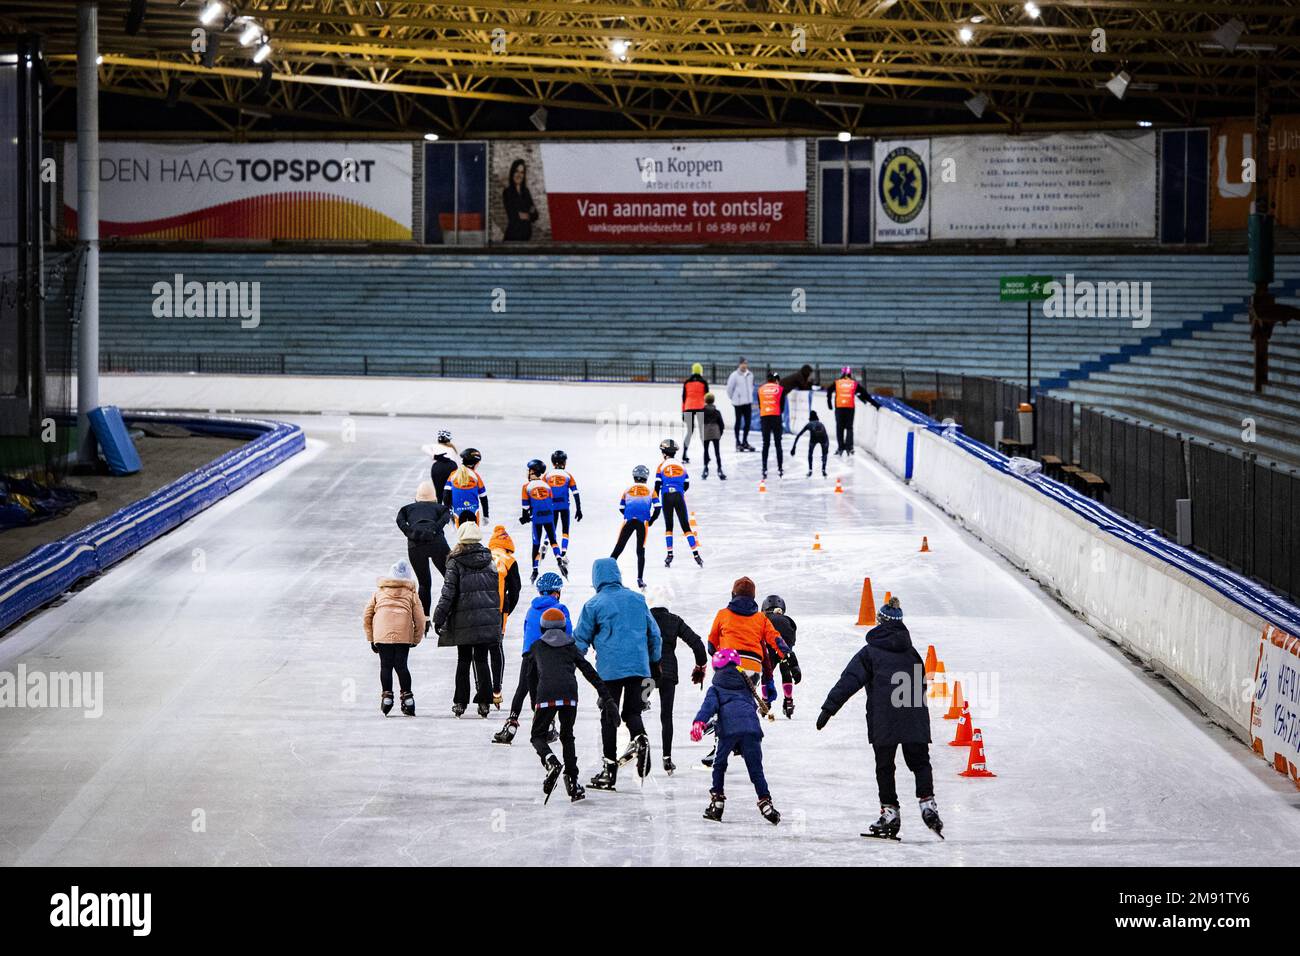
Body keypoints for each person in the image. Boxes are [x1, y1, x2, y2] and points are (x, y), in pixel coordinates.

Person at [816, 597, 944, 840]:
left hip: (884, 719)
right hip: (914, 717)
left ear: (880, 623)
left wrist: (828, 709)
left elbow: (849, 681)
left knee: (885, 767)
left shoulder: (870, 653)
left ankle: (890, 813)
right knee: (919, 762)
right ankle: (928, 804)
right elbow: (922, 685)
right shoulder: (912, 652)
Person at [573, 557, 663, 790]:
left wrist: (569, 663)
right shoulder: (637, 599)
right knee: (633, 712)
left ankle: (609, 770)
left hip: (610, 671)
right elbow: (655, 634)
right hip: (640, 668)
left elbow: (580, 640)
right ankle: (640, 739)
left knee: (609, 716)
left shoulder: (593, 605)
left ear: (596, 578)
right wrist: (654, 662)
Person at [530, 607, 621, 804]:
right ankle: (572, 782)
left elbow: (528, 680)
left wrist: (533, 704)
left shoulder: (536, 647)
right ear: (563, 628)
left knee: (537, 736)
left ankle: (551, 762)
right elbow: (590, 672)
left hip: (546, 695)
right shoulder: (571, 646)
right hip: (569, 696)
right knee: (567, 736)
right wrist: (608, 699)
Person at [690, 648, 781, 825]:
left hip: (729, 730)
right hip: (752, 729)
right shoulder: (746, 685)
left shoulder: (716, 688)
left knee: (719, 765)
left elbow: (708, 707)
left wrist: (699, 722)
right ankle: (765, 802)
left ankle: (717, 803)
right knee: (756, 769)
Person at [433, 518, 502, 718]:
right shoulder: (489, 560)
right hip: (485, 619)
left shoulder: (455, 561)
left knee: (463, 660)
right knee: (481, 660)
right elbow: (493, 593)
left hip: (463, 620)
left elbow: (448, 593)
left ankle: (460, 702)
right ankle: (484, 702)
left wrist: (439, 618)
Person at [492, 570, 568, 745]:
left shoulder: (531, 610)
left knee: (523, 688)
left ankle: (511, 722)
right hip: (550, 656)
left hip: (529, 655)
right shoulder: (560, 609)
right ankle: (546, 725)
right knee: (544, 692)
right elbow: (567, 632)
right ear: (557, 592)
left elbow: (527, 633)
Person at [648, 586, 708, 775]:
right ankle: (667, 759)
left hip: (646, 674)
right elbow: (697, 644)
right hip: (668, 674)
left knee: (636, 712)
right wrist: (700, 666)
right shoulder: (674, 621)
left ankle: (639, 754)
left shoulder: (644, 619)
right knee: (666, 716)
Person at [363, 560, 426, 717]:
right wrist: (415, 638)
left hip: (382, 633)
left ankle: (387, 697)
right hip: (403, 634)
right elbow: (420, 619)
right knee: (401, 666)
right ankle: (408, 698)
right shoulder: (411, 594)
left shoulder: (379, 593)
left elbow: (367, 615)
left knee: (386, 666)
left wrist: (372, 638)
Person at [395, 480, 452, 620]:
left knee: (424, 583)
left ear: (416, 499)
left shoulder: (406, 509)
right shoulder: (440, 508)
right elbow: (446, 517)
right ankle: (451, 614)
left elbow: (399, 520)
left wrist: (410, 532)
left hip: (415, 546)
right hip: (437, 543)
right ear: (435, 498)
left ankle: (425, 618)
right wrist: (434, 530)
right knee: (451, 579)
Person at [488, 524, 522, 708]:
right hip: (500, 611)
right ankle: (496, 690)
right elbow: (515, 590)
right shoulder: (509, 560)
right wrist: (508, 608)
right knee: (496, 648)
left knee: (478, 653)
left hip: (481, 608)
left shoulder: (484, 555)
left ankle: (482, 692)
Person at [655, 438, 703, 568]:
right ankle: (696, 555)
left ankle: (669, 554)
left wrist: (655, 503)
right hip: (678, 496)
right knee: (686, 527)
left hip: (666, 496)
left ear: (664, 453)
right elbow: (687, 484)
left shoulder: (661, 466)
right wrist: (679, 492)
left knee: (669, 527)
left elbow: (656, 486)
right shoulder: (681, 465)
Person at [612, 464, 659, 589]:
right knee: (640, 550)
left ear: (634, 477)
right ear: (646, 477)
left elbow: (621, 508)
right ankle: (640, 579)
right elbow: (658, 508)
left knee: (619, 547)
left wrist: (629, 515)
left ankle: (606, 574)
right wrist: (651, 520)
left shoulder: (627, 489)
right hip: (643, 522)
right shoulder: (651, 489)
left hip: (628, 520)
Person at [520, 458, 567, 582]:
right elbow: (549, 502)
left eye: (528, 470)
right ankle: (559, 559)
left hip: (537, 520)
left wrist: (525, 518)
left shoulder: (526, 486)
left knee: (536, 544)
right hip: (549, 517)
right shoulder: (547, 486)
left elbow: (525, 508)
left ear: (532, 471)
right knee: (553, 540)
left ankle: (535, 570)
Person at [761, 594, 801, 718]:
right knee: (785, 671)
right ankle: (788, 702)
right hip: (786, 646)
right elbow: (792, 637)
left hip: (770, 646)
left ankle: (765, 702)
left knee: (766, 673)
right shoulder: (788, 619)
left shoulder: (764, 619)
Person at [826, 366, 879, 455]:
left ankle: (840, 448)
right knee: (849, 427)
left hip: (839, 407)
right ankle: (849, 448)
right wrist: (876, 404)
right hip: (850, 407)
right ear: (850, 374)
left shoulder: (837, 383)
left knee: (840, 428)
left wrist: (829, 403)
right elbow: (865, 394)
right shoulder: (854, 383)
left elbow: (829, 390)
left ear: (841, 374)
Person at [544, 450, 583, 557]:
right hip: (564, 506)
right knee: (565, 529)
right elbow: (575, 493)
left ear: (553, 463)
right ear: (564, 462)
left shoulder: (547, 476)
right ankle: (564, 552)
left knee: (552, 527)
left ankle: (546, 542)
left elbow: (541, 492)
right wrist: (579, 509)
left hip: (552, 506)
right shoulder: (568, 475)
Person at [443, 448, 488, 524]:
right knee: (474, 534)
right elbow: (483, 497)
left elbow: (446, 495)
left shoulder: (453, 475)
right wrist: (486, 515)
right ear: (475, 463)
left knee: (461, 534)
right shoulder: (476, 476)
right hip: (473, 511)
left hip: (457, 511)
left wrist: (449, 512)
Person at [757, 372, 786, 480]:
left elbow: (760, 405)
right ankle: (780, 468)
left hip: (765, 417)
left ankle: (764, 468)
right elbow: (782, 406)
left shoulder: (760, 389)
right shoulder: (780, 389)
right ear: (775, 379)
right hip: (776, 417)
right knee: (778, 444)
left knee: (766, 444)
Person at [501, 158, 539, 242]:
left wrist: (525, 215)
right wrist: (529, 213)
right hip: (512, 238)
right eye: (516, 171)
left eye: (522, 172)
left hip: (526, 239)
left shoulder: (526, 192)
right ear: (512, 173)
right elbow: (514, 216)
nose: (519, 175)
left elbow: (535, 214)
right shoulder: (508, 192)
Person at [680, 362, 709, 463]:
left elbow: (683, 398)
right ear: (701, 371)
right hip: (700, 407)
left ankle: (684, 454)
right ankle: (706, 454)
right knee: (702, 432)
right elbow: (707, 398)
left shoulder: (687, 382)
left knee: (689, 432)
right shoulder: (704, 382)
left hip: (688, 407)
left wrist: (683, 412)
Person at [725, 357, 755, 452]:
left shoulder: (750, 375)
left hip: (747, 402)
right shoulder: (734, 375)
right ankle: (738, 442)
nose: (744, 365)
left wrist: (749, 396)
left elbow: (751, 387)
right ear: (739, 364)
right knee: (738, 422)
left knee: (747, 423)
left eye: (746, 363)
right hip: (738, 403)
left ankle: (745, 441)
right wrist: (734, 398)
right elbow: (729, 389)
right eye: (743, 363)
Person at [789, 410, 831, 478]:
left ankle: (810, 470)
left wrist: (794, 447)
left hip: (814, 439)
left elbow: (798, 435)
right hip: (823, 439)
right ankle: (823, 470)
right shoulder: (821, 424)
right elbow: (826, 438)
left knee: (810, 454)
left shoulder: (809, 424)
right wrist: (826, 451)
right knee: (824, 454)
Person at [700, 393, 727, 480]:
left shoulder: (702, 411)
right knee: (717, 452)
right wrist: (719, 434)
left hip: (706, 432)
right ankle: (719, 470)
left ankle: (705, 469)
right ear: (713, 400)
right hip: (715, 432)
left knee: (706, 451)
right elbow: (722, 424)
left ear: (705, 400)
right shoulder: (717, 412)